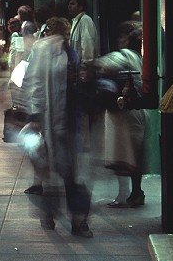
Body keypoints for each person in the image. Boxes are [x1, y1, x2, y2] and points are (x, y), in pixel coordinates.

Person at [20, 16, 93, 237]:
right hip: (50, 120)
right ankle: (61, 217)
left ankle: (71, 219)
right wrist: (35, 116)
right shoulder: (44, 51)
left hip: (70, 119)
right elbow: (35, 82)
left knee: (67, 172)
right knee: (54, 171)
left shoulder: (71, 53)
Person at [93, 21, 146, 207]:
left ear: (126, 39)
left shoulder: (124, 55)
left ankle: (126, 194)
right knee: (135, 156)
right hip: (138, 112)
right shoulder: (139, 57)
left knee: (124, 155)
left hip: (125, 113)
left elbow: (103, 63)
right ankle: (136, 193)